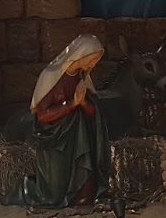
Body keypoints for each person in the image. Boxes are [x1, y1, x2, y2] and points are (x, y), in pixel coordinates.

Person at [10, 34, 113, 208]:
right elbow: (42, 115)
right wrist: (73, 104)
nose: (92, 64)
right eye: (92, 59)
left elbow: (92, 113)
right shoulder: (51, 76)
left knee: (87, 179)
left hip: (79, 140)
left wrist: (83, 103)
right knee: (54, 194)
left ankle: (82, 196)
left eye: (96, 60)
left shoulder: (82, 79)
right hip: (56, 139)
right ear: (80, 54)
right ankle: (26, 189)